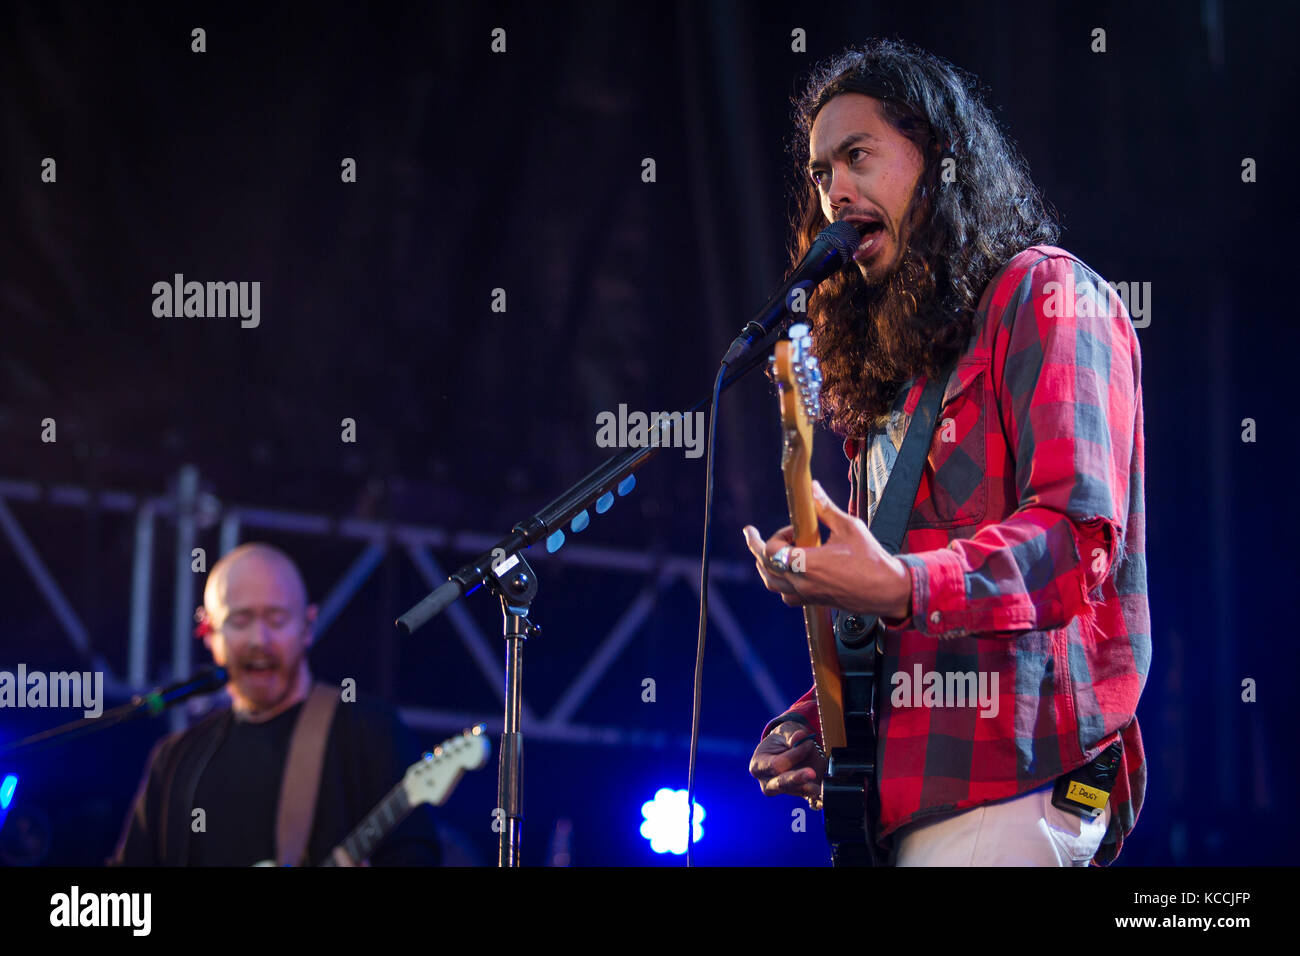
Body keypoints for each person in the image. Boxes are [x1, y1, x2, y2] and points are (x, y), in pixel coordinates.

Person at [743, 39, 1148, 866]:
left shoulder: (1049, 294)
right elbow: (913, 618)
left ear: (939, 160)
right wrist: (824, 718)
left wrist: (894, 583)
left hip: (1016, 779)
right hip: (906, 801)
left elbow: (1075, 539)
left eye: (858, 156)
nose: (836, 193)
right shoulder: (899, 379)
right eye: (821, 175)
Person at [112, 542, 441, 866]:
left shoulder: (369, 732)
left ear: (307, 626)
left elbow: (415, 856)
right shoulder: (176, 759)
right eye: (240, 620)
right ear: (209, 633)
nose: (260, 640)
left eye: (277, 618)